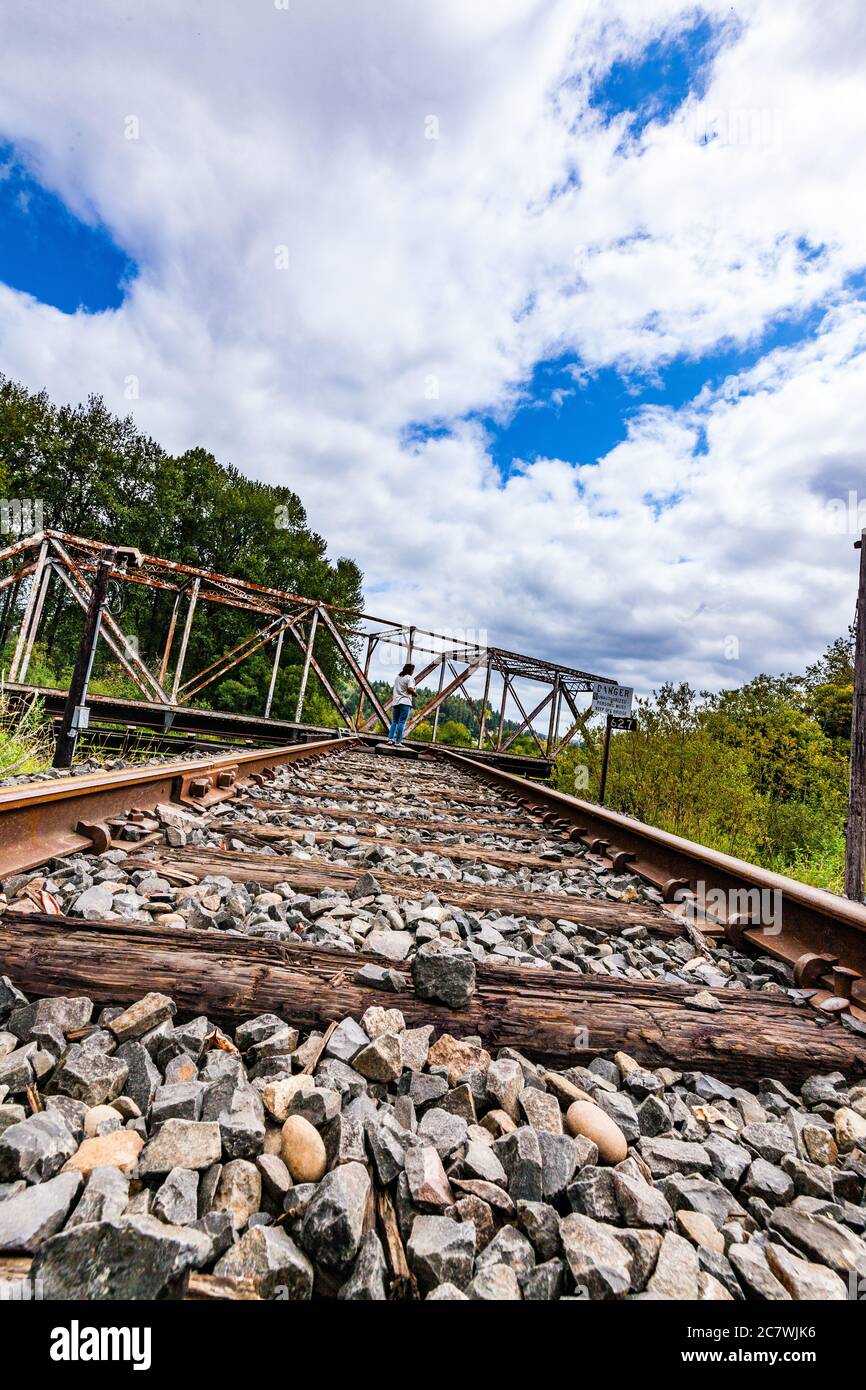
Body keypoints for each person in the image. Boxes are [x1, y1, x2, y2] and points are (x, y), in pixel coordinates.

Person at [386, 662, 416, 746]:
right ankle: (398, 742)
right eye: (413, 670)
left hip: (396, 702)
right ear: (411, 670)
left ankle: (390, 739)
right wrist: (414, 693)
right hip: (405, 702)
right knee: (402, 722)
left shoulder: (398, 678)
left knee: (394, 722)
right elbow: (410, 689)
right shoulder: (410, 678)